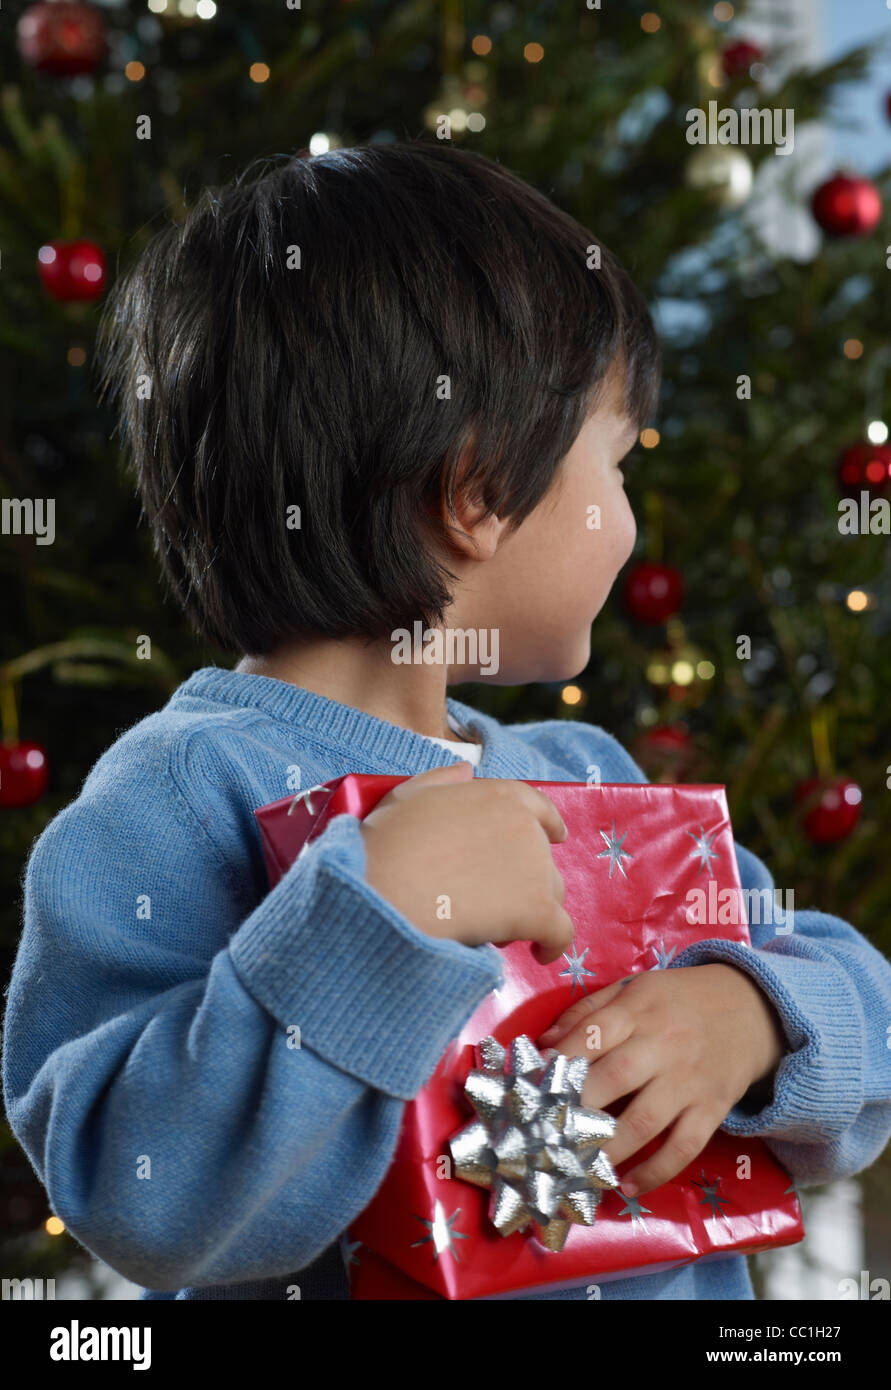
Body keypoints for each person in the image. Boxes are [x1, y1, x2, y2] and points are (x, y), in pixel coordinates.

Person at [4, 142, 890, 1302]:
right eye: (615, 465)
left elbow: (865, 1009)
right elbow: (135, 1194)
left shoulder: (589, 774)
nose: (628, 516)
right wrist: (373, 919)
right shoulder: (178, 795)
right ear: (475, 491)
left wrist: (756, 1015)